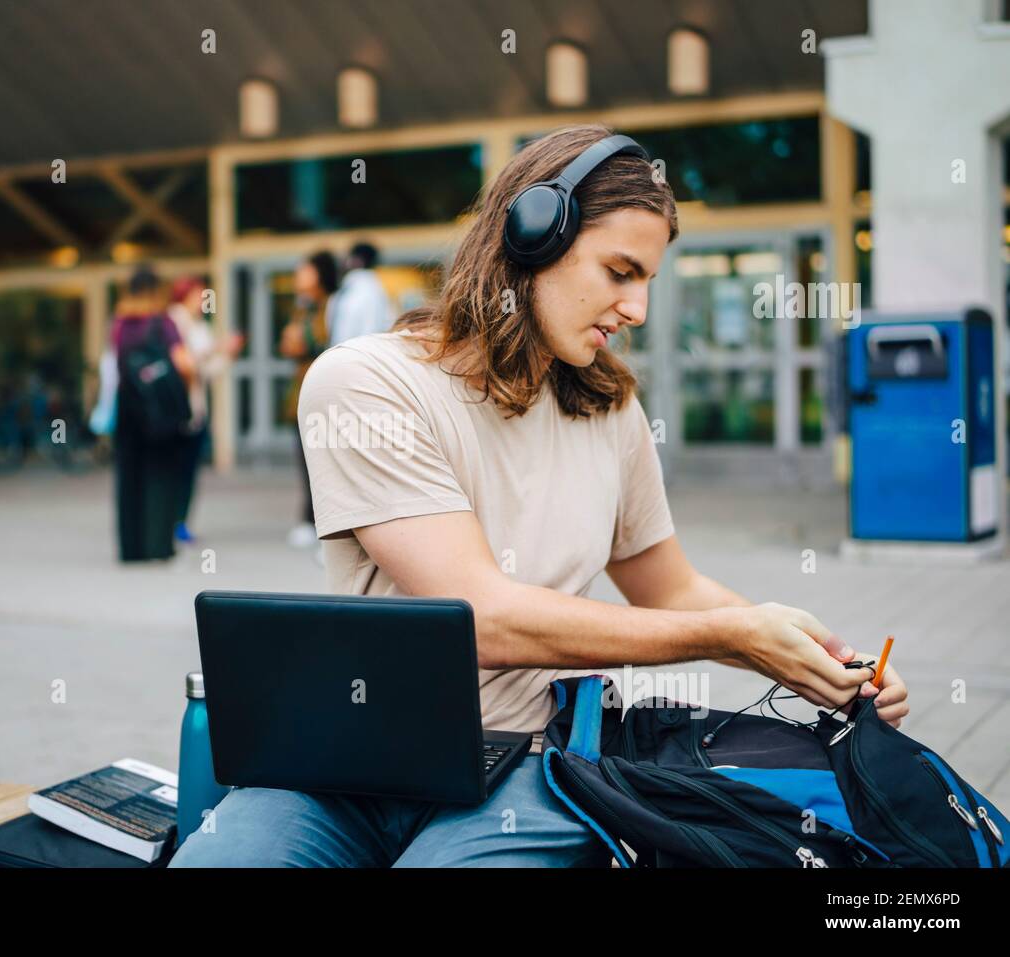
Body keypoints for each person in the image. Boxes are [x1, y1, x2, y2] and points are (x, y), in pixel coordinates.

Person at [170, 125, 909, 868]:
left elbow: (670, 586)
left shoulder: (611, 407)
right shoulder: (365, 382)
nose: (638, 309)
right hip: (337, 764)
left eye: (648, 279)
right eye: (620, 271)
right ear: (531, 235)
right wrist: (730, 636)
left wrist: (814, 657)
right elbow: (478, 618)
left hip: (529, 758)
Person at [112, 267, 195, 563]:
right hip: (159, 411)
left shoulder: (120, 324)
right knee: (161, 476)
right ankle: (158, 546)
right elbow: (183, 364)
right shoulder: (163, 322)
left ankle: (131, 549)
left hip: (127, 407)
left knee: (129, 479)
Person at [167, 276, 244, 543]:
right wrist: (215, 349)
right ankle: (167, 522)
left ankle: (180, 522)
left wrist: (227, 355)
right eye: (199, 296)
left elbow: (207, 372)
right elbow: (183, 362)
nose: (202, 302)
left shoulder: (200, 328)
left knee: (188, 471)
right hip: (173, 409)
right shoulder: (172, 322)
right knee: (173, 470)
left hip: (195, 409)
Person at [278, 250, 338, 549]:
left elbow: (312, 341)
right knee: (304, 458)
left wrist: (300, 342)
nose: (299, 276)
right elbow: (288, 344)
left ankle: (322, 520)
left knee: (324, 459)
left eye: (305, 270)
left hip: (326, 393)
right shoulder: (302, 308)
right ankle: (308, 518)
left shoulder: (332, 304)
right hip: (301, 392)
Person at [327, 241, 393, 346]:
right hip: (358, 356)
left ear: (356, 260)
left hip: (345, 355)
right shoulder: (375, 291)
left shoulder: (348, 292)